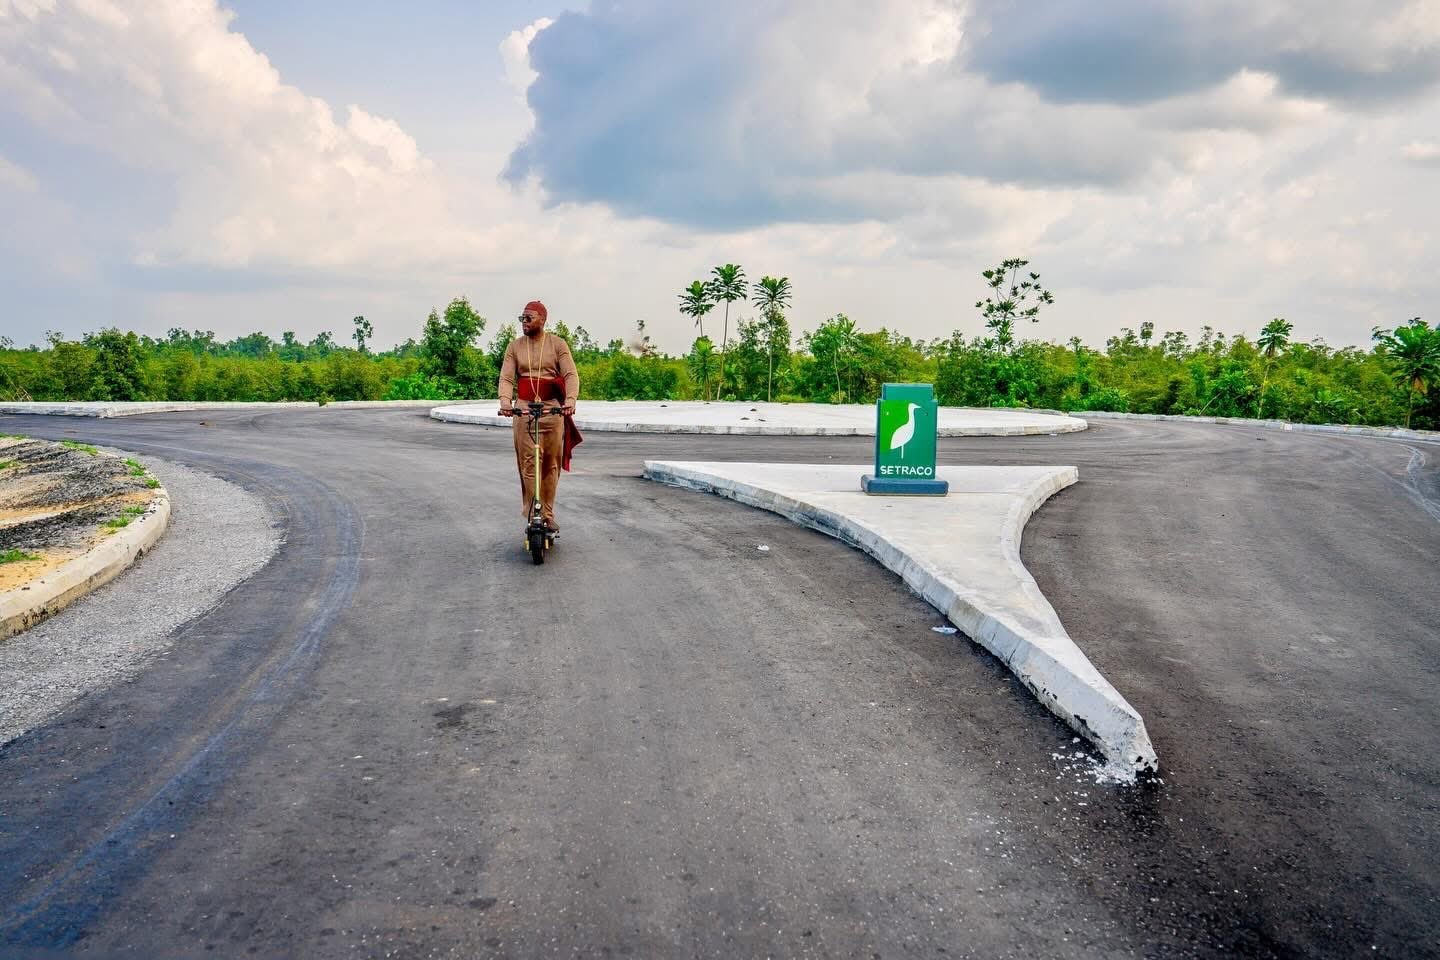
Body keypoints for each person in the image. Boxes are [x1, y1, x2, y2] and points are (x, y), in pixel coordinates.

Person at [497, 301, 580, 535]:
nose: (524, 322)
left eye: (529, 318)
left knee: (551, 465)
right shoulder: (514, 347)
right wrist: (505, 402)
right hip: (523, 410)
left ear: (542, 319)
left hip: (552, 411)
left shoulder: (557, 344)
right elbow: (506, 378)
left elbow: (571, 375)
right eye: (521, 318)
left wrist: (570, 401)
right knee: (528, 463)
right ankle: (535, 512)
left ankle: (548, 514)